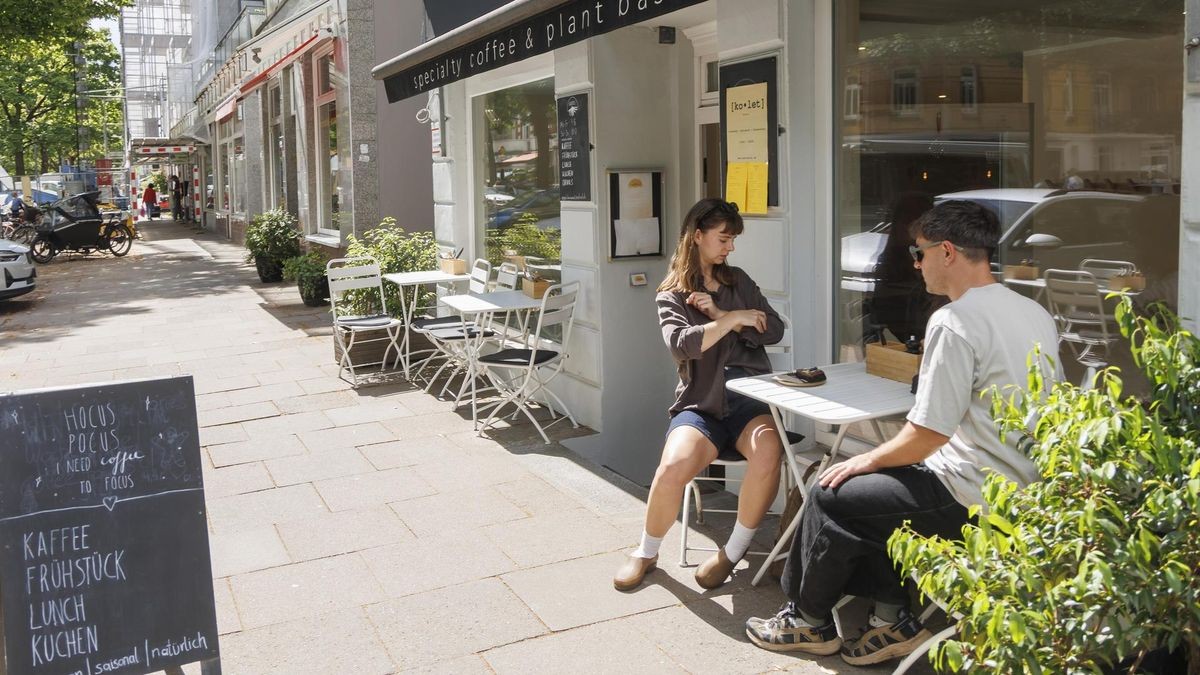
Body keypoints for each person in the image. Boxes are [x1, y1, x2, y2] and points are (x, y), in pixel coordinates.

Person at [745, 200, 1061, 665]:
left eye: (919, 254)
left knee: (833, 491)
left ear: (947, 252)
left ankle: (805, 621)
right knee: (879, 494)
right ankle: (891, 621)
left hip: (973, 496)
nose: (915, 265)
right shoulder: (1033, 311)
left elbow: (929, 433)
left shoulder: (955, 321)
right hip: (1023, 492)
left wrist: (865, 459)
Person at [614, 198, 787, 592]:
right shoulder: (671, 293)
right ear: (697, 236)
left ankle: (732, 553)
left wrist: (721, 316)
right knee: (672, 467)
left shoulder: (738, 281)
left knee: (769, 452)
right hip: (701, 403)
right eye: (724, 238)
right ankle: (645, 552)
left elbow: (773, 328)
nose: (730, 247)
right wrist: (732, 319)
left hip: (748, 402)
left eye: (732, 240)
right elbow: (682, 346)